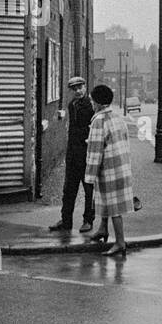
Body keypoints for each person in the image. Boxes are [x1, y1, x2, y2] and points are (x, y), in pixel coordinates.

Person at [84, 83, 133, 257]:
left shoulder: (99, 120)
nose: (91, 103)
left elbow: (95, 149)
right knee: (105, 201)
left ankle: (120, 243)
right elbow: (125, 140)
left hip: (108, 169)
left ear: (97, 102)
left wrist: (89, 175)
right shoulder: (118, 117)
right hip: (121, 165)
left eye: (92, 100)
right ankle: (103, 230)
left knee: (114, 207)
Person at [49, 76, 95, 233]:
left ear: (84, 87)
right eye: (74, 89)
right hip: (73, 154)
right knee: (68, 189)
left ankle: (88, 220)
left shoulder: (91, 106)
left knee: (89, 189)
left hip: (86, 154)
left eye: (80, 87)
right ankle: (66, 220)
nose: (77, 91)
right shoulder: (71, 105)